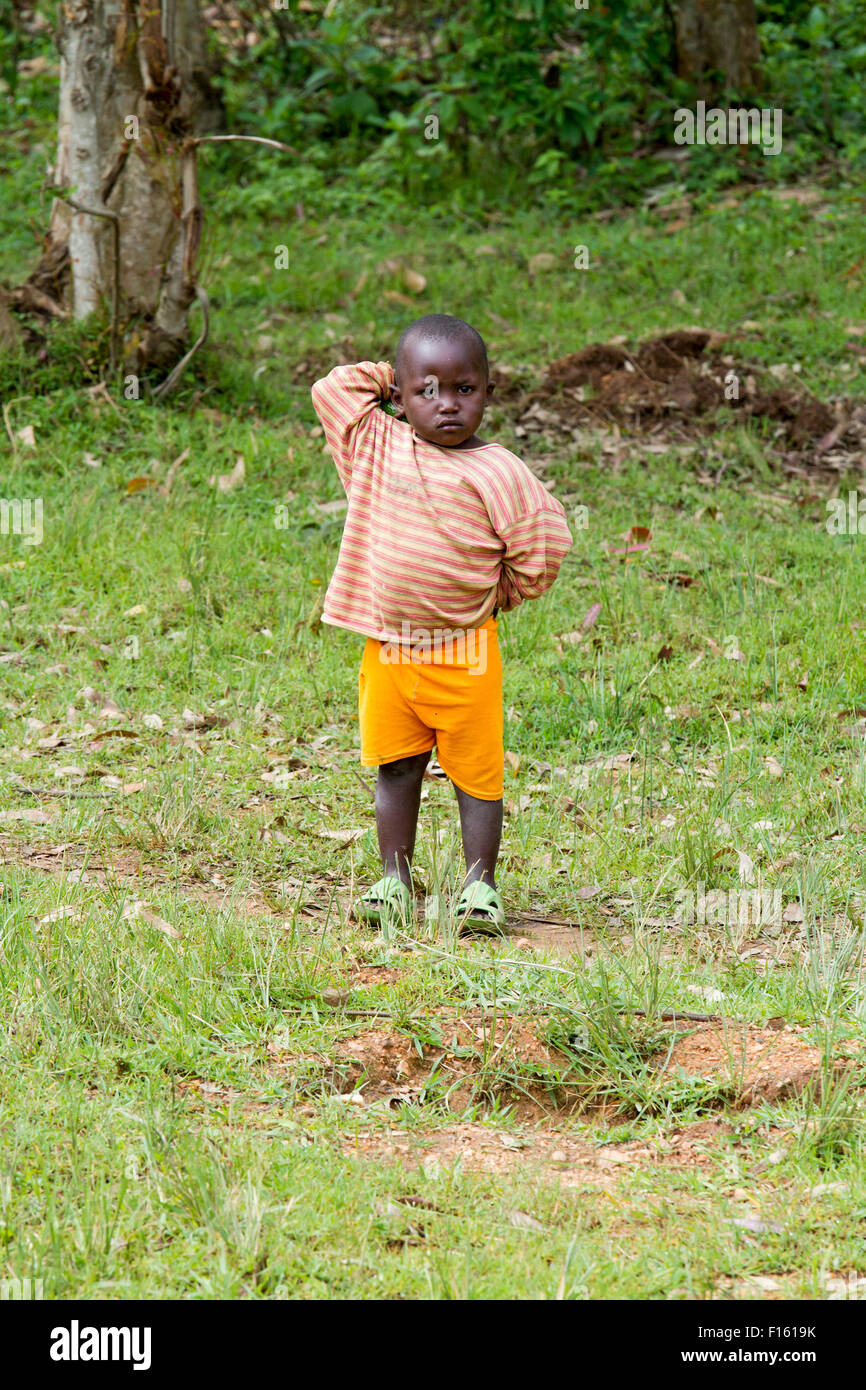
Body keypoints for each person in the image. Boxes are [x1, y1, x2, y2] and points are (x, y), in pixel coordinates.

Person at [311, 314, 572, 933]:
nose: (446, 404)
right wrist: (393, 375)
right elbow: (332, 390)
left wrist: (499, 594)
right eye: (426, 390)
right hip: (390, 651)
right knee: (395, 766)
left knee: (476, 775)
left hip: (466, 653)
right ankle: (393, 880)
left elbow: (545, 544)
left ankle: (479, 885)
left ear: (488, 392)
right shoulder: (377, 445)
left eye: (464, 389)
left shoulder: (499, 472)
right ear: (398, 396)